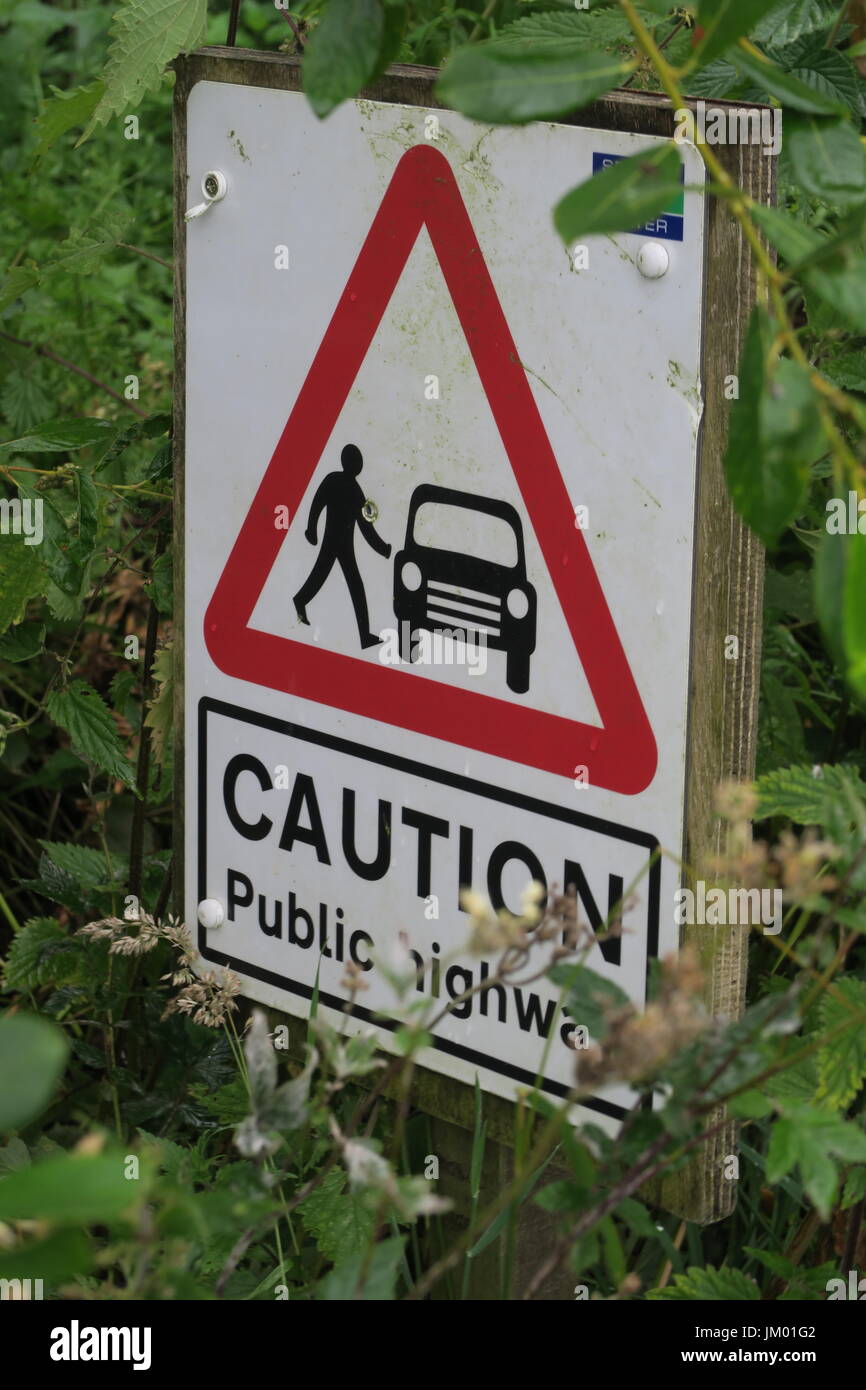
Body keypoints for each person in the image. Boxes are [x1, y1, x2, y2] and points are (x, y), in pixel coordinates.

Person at [293, 443, 391, 649]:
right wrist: (311, 530)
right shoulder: (345, 486)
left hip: (342, 544)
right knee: (336, 580)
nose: (359, 465)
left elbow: (366, 527)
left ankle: (364, 636)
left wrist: (382, 548)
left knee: (336, 580)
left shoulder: (350, 487)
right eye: (357, 461)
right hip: (335, 542)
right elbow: (318, 503)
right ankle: (300, 601)